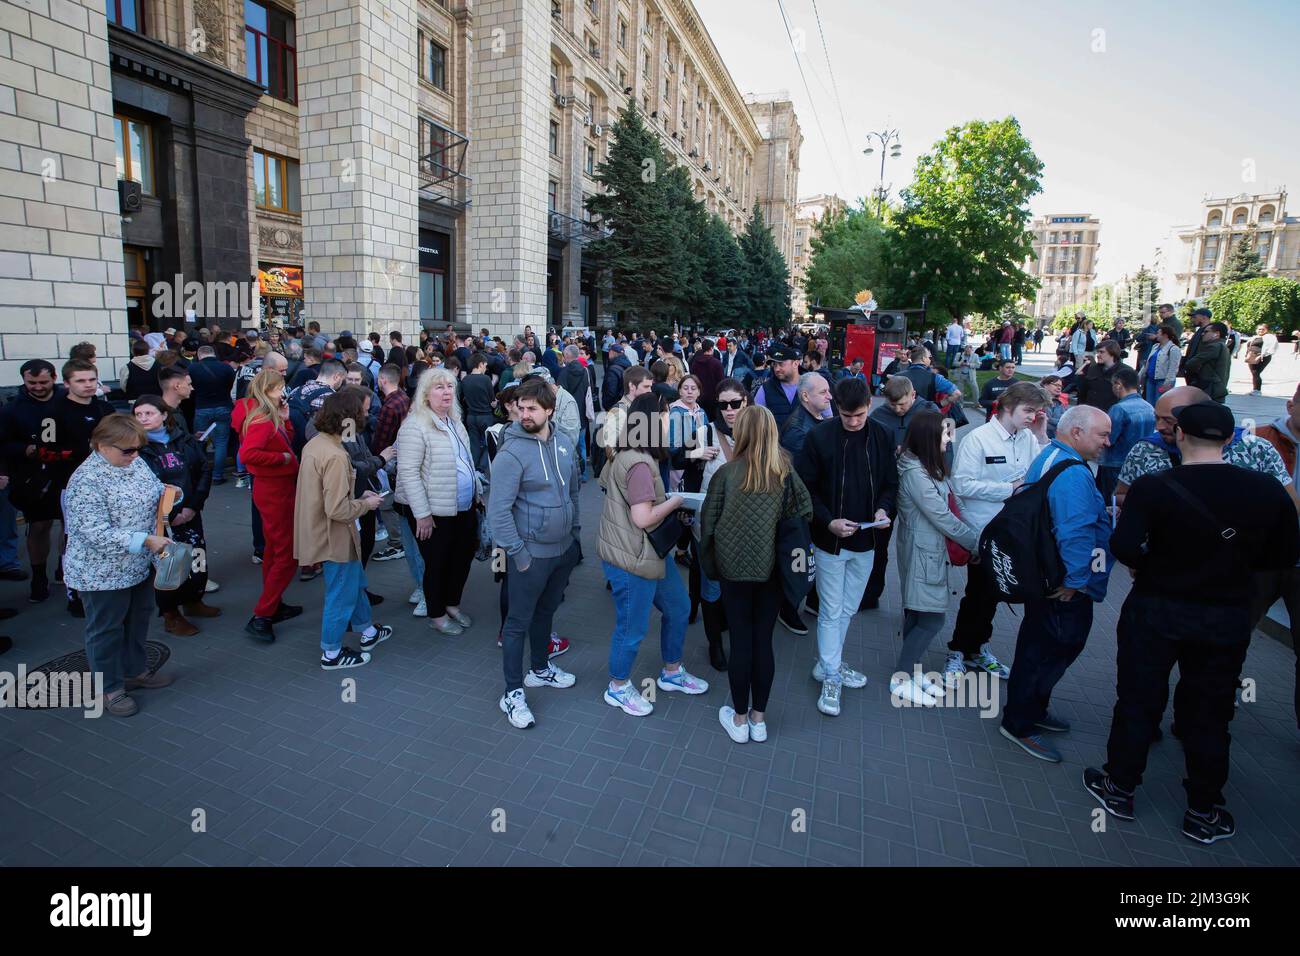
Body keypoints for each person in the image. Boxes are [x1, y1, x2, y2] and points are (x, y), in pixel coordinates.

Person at [1088, 401, 1298, 844]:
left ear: (1180, 434)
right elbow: (1282, 556)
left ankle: (1120, 787)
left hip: (1156, 609)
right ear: (1228, 439)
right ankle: (1204, 808)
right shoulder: (1267, 489)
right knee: (1211, 710)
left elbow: (1124, 545)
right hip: (1225, 616)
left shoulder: (1154, 487)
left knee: (1138, 699)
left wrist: (1153, 563)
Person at [1000, 405, 1113, 763]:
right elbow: (1075, 532)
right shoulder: (1074, 475)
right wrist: (1076, 582)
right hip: (1062, 585)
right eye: (1102, 435)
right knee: (1052, 649)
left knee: (1039, 646)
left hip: (1044, 576)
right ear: (1077, 433)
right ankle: (1020, 723)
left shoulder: (1051, 455)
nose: (1108, 442)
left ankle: (1032, 709)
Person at [701, 404, 813, 743]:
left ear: (743, 433)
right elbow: (803, 515)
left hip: (734, 573)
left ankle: (737, 718)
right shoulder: (786, 473)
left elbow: (707, 526)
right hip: (773, 574)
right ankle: (759, 719)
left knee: (741, 641)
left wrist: (712, 565)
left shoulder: (726, 474)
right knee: (763, 641)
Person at [597, 391, 707, 717]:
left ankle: (671, 672)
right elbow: (642, 518)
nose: (668, 420)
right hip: (632, 557)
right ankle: (617, 687)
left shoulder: (627, 452)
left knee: (678, 606)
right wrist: (675, 502)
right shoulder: (641, 463)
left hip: (647, 553)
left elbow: (608, 484)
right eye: (664, 415)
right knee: (632, 630)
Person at [795, 377, 896, 715]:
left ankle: (827, 664)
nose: (854, 422)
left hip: (868, 539)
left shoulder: (881, 434)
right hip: (829, 542)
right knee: (830, 610)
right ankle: (832, 673)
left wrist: (884, 509)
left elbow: (890, 483)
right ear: (836, 408)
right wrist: (828, 522)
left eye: (861, 415)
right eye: (847, 415)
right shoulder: (819, 436)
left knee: (848, 609)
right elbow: (805, 490)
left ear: (871, 406)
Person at [63, 414, 173, 717]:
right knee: (106, 630)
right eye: (128, 450)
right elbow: (94, 532)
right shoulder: (86, 479)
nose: (135, 455)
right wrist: (145, 540)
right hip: (101, 571)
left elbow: (153, 488)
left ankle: (135, 670)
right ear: (101, 445)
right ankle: (110, 688)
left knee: (138, 619)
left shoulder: (132, 461)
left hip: (137, 563)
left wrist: (169, 496)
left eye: (138, 448)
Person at [487, 379, 583, 729]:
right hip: (529, 555)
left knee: (546, 613)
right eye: (521, 408)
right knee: (517, 624)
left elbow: (573, 490)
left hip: (561, 552)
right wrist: (519, 555)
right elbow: (498, 511)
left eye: (532, 409)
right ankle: (512, 692)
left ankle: (540, 670)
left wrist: (573, 537)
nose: (524, 414)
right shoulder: (510, 453)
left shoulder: (562, 442)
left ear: (549, 411)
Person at [948, 381, 1051, 683]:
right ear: (1008, 406)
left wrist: (1042, 436)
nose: (1033, 416)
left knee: (995, 594)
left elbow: (1042, 472)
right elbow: (962, 485)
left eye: (1038, 412)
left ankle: (977, 648)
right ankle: (959, 650)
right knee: (978, 594)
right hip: (984, 533)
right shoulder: (978, 440)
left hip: (1014, 535)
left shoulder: (1028, 437)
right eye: (1028, 410)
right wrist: (1009, 489)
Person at [294, 389, 389, 671]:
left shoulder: (317, 444)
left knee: (354, 582)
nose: (367, 416)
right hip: (335, 535)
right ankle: (332, 653)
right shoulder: (336, 455)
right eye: (363, 412)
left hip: (325, 531)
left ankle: (367, 631)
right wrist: (366, 503)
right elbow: (338, 509)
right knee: (340, 593)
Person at [892, 409, 980, 705]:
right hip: (923, 553)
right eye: (945, 433)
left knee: (919, 615)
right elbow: (943, 516)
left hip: (927, 551)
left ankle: (911, 669)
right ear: (930, 437)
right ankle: (902, 677)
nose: (949, 437)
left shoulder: (926, 466)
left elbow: (953, 505)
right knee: (932, 619)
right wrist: (975, 542)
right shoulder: (916, 472)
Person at [395, 367, 481, 636]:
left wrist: (477, 494)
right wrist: (422, 514)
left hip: (463, 505)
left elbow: (465, 461)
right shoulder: (415, 424)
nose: (446, 392)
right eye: (439, 387)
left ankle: (451, 603)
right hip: (433, 510)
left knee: (463, 555)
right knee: (437, 562)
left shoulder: (455, 420)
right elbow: (408, 473)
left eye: (449, 386)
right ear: (425, 394)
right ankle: (437, 614)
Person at [1115, 385, 1292, 507]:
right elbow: (1120, 495)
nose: (1159, 427)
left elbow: (1290, 503)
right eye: (1157, 418)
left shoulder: (1256, 449)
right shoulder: (1144, 450)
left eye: (1168, 421)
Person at [133, 396, 219, 636]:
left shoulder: (184, 440)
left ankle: (194, 600)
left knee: (197, 557)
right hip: (161, 522)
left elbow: (203, 469)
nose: (143, 419)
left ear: (163, 415)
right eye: (138, 415)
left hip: (190, 513)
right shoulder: (136, 449)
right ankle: (170, 613)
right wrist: (168, 515)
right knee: (170, 565)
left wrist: (192, 506)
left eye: (148, 413)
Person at [860, 376, 943, 610]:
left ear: (913, 395)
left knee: (917, 545)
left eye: (903, 404)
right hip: (886, 489)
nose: (897, 409)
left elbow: (947, 450)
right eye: (892, 405)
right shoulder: (878, 416)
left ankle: (916, 603)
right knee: (879, 545)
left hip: (919, 490)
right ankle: (871, 594)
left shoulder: (931, 413)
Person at [233, 369, 301, 642]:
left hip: (274, 488)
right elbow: (249, 454)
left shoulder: (263, 414)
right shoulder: (261, 418)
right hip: (275, 490)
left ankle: (272, 604)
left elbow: (283, 440)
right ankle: (263, 614)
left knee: (275, 550)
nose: (283, 392)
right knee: (286, 554)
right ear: (271, 389)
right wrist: (283, 459)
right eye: (280, 387)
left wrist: (285, 422)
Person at [1251, 384, 1300, 727]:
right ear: (1291, 404)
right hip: (1262, 559)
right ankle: (1219, 696)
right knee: (1235, 631)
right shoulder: (1261, 437)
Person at [690, 378, 747, 671]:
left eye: (734, 404)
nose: (729, 410)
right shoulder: (705, 433)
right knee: (711, 588)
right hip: (709, 529)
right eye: (723, 405)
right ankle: (714, 643)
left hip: (745, 531)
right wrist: (694, 454)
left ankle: (735, 637)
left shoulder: (757, 435)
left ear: (745, 403)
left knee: (737, 590)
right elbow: (679, 462)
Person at [1097, 366, 1154, 502]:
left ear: (1119, 385)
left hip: (1114, 465)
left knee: (1110, 504)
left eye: (1113, 384)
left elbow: (1108, 440)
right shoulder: (1149, 407)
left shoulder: (1119, 409)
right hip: (1139, 465)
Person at [186, 345, 237, 484]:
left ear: (199, 354)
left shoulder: (192, 368)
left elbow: (189, 388)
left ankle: (200, 473)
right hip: (223, 407)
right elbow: (232, 385)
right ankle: (217, 476)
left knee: (199, 441)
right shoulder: (226, 368)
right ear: (213, 354)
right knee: (221, 442)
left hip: (202, 407)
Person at [459, 351, 497, 471]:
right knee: (488, 443)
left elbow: (462, 398)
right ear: (480, 364)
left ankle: (473, 467)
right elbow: (492, 400)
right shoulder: (485, 379)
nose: (486, 368)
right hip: (485, 415)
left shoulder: (465, 380)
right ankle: (481, 468)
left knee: (474, 443)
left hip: (471, 416)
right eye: (485, 365)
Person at [753, 345, 802, 429]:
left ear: (795, 364)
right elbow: (756, 420)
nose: (776, 369)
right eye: (774, 365)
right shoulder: (765, 389)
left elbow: (827, 418)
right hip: (775, 441)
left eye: (781, 364)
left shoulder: (812, 385)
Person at [1183, 321, 1231, 402]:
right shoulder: (1222, 346)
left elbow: (1191, 363)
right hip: (1216, 389)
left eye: (1206, 332)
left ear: (1216, 334)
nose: (1202, 334)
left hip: (1209, 389)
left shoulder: (1214, 347)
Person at [1072, 341, 1123, 412]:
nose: (1098, 355)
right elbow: (1083, 393)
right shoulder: (1092, 369)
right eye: (1097, 352)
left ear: (1112, 353)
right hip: (1091, 413)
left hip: (1111, 414)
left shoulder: (1125, 372)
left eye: (1101, 352)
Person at [688, 338, 725, 421]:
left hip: (699, 397)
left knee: (700, 422)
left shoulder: (695, 363)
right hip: (713, 399)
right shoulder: (716, 363)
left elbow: (692, 379)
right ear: (711, 348)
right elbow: (721, 382)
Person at [1144, 324, 1181, 405]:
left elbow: (1173, 368)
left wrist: (1168, 383)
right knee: (1149, 403)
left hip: (1162, 381)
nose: (1156, 335)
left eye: (1158, 333)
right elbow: (1148, 362)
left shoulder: (1173, 349)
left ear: (1165, 335)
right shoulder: (1155, 346)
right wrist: (1141, 375)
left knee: (1160, 403)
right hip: (1151, 379)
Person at [1244, 323, 1278, 396]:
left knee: (1256, 372)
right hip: (1251, 356)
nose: (1261, 331)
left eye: (1263, 329)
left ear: (1266, 330)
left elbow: (1273, 347)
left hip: (1262, 357)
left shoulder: (1269, 337)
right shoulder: (1254, 337)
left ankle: (1257, 390)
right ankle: (1255, 389)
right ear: (1256, 330)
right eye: (1259, 329)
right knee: (1253, 372)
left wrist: (1263, 354)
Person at [1040, 375, 1069, 440]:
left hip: (1055, 438)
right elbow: (1046, 422)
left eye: (1060, 386)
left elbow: (1066, 417)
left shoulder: (1059, 401)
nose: (1059, 388)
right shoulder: (1040, 400)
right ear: (1045, 385)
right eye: (1056, 385)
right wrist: (1064, 422)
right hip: (1043, 438)